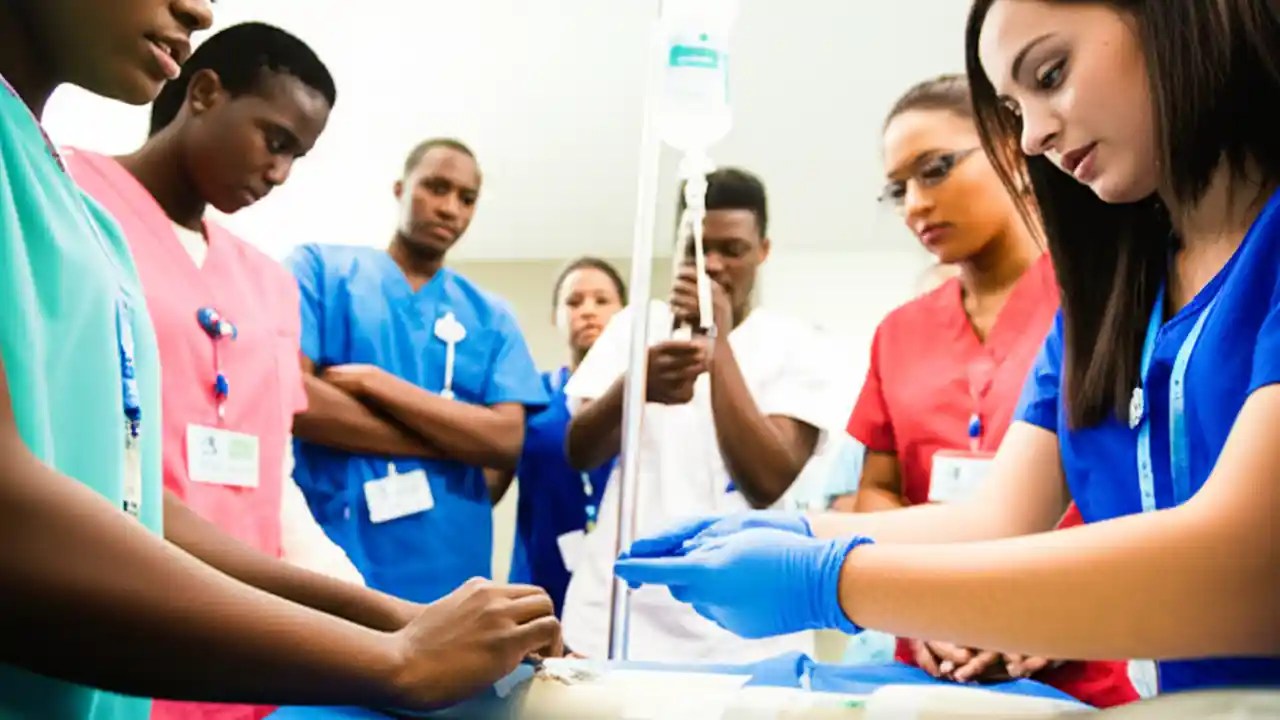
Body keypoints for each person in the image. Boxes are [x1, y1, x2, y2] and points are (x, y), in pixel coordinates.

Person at [614, 0, 1280, 696]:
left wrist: (829, 582)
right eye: (1015, 114)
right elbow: (997, 520)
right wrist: (796, 532)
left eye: (1050, 73)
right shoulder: (1108, 304)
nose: (1032, 140)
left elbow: (1250, 566)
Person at [0, 2, 559, 718]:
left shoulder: (85, 221)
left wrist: (392, 617)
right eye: (276, 139)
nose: (198, 8)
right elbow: (15, 523)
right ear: (203, 94)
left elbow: (132, 500)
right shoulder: (87, 198)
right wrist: (395, 660)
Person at [63, 22, 365, 720]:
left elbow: (273, 482)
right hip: (116, 622)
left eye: (299, 156)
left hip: (248, 643)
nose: (280, 173)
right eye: (275, 139)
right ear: (203, 92)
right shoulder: (65, 195)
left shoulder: (267, 283)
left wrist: (372, 607)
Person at [832, 74, 1134, 706]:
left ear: (1013, 147)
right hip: (927, 662)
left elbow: (1134, 483)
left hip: (1081, 659)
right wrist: (917, 608)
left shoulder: (1105, 302)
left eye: (935, 169)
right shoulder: (898, 333)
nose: (914, 203)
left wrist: (1064, 607)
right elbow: (879, 490)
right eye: (899, 188)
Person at [562, 167, 835, 662]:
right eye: (695, 249)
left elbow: (767, 480)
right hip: (622, 611)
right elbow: (579, 451)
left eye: (732, 250)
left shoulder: (795, 343)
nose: (712, 265)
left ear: (763, 251)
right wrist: (636, 383)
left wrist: (718, 342)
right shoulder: (633, 326)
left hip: (746, 630)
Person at [287, 137, 550, 604]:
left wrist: (378, 385)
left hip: (450, 568)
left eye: (466, 199)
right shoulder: (321, 271)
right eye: (435, 187)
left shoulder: (492, 317)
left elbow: (505, 442)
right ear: (399, 188)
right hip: (332, 550)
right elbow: (295, 399)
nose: (450, 208)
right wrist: (454, 442)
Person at [487, 257, 628, 617]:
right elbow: (490, 484)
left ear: (624, 313)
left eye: (601, 300)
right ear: (556, 317)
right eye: (574, 301)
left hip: (622, 589)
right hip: (538, 586)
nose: (588, 311)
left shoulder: (646, 398)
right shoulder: (530, 396)